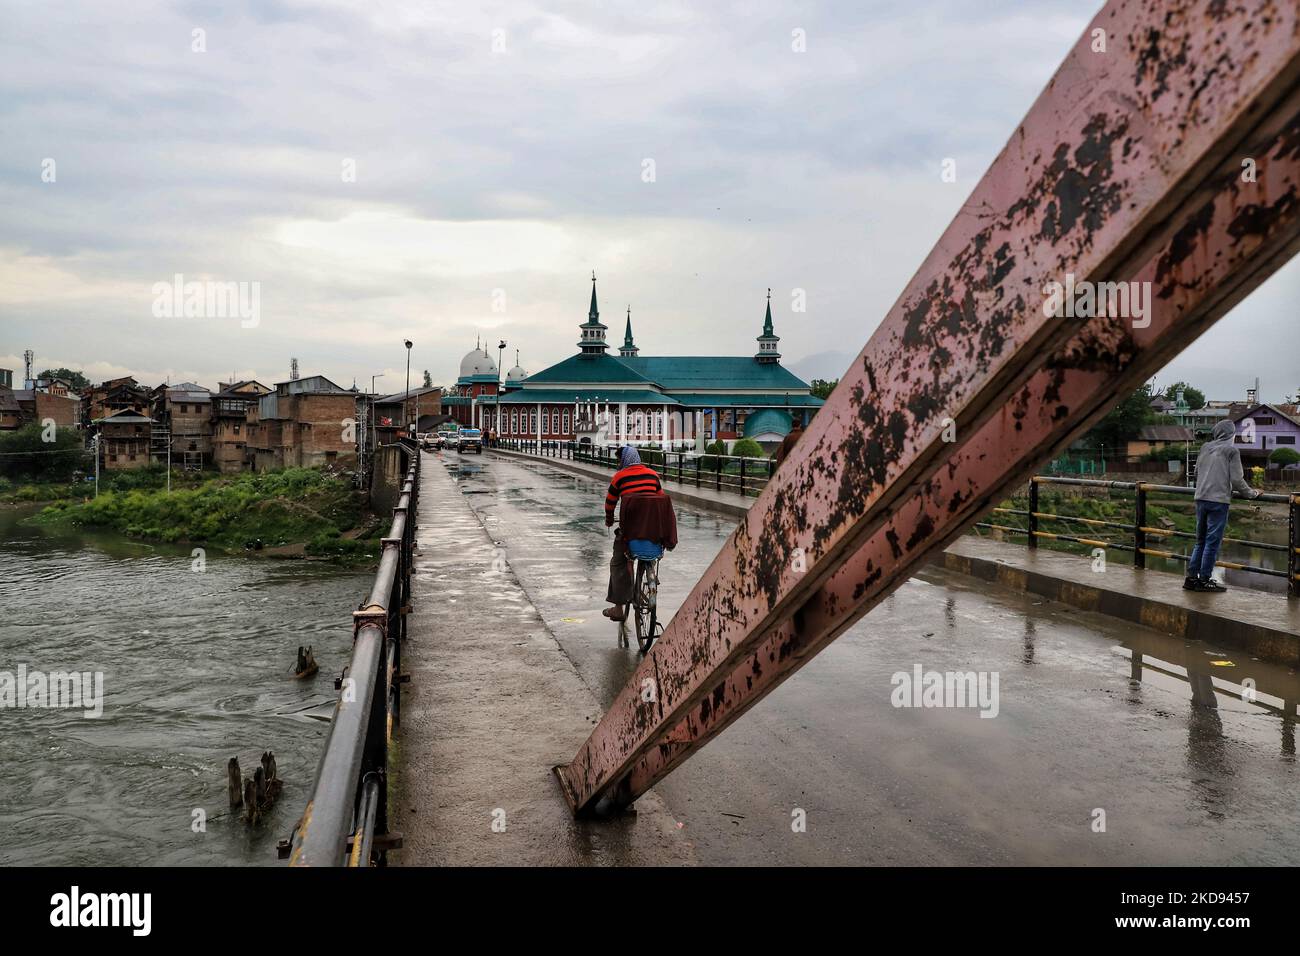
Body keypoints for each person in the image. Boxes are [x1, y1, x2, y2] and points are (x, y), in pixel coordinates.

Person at [602, 445, 677, 621]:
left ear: (624, 460)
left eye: (619, 460)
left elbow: (609, 503)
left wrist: (609, 520)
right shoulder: (653, 475)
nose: (619, 463)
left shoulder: (619, 477)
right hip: (654, 530)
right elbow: (660, 498)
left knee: (618, 562)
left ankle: (619, 608)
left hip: (630, 532)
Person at [1185, 419, 1260, 592]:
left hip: (1201, 498)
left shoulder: (1205, 447)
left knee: (1200, 541)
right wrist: (1252, 494)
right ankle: (1204, 580)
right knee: (1212, 542)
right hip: (1218, 501)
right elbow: (1236, 480)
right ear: (1231, 434)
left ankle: (1191, 578)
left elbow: (1197, 472)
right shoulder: (1231, 450)